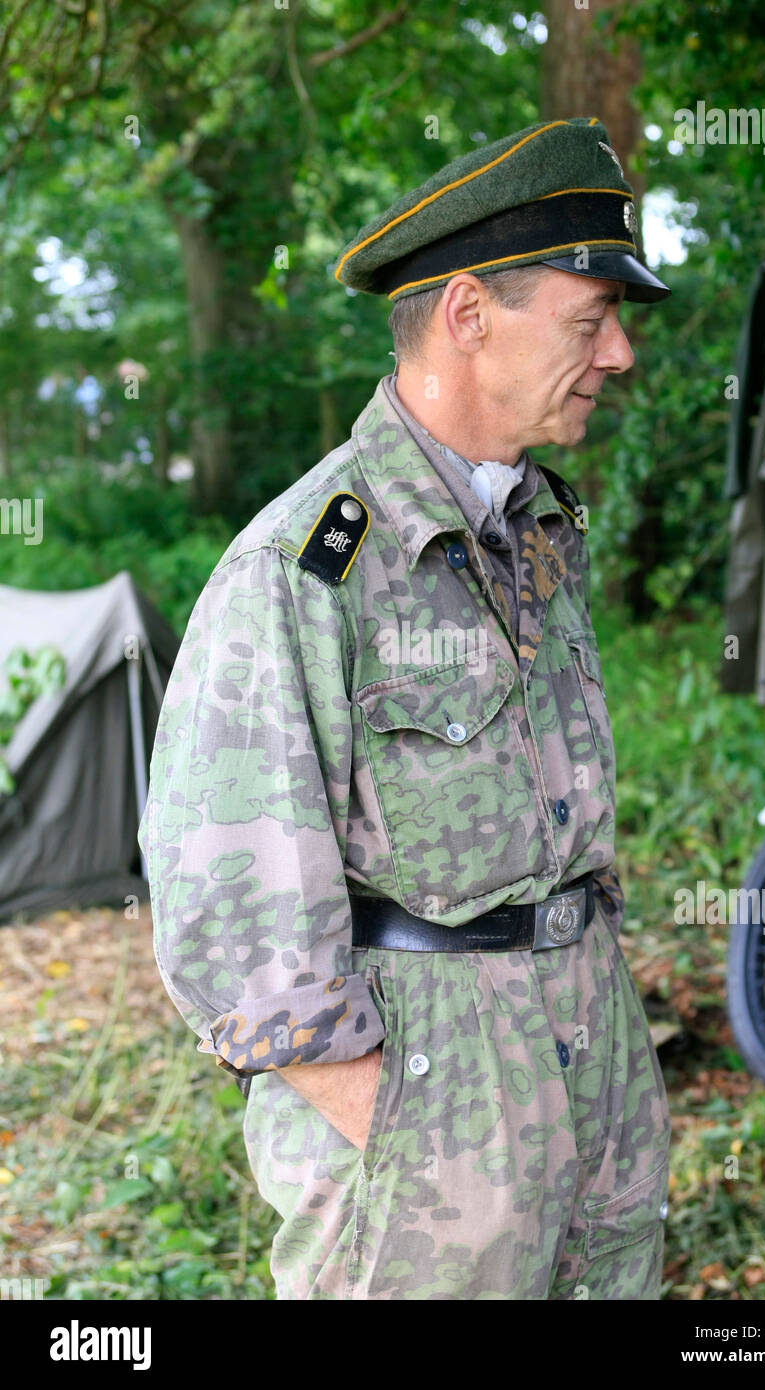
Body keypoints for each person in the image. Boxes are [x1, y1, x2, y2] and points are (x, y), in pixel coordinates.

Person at [139, 116, 673, 1300]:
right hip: (428, 1128)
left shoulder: (538, 529)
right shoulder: (303, 564)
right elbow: (223, 900)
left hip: (590, 1084)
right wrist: (402, 1123)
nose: (621, 354)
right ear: (468, 315)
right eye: (590, 322)